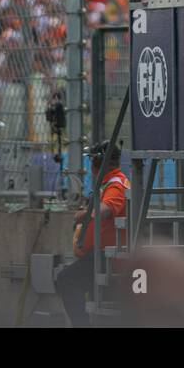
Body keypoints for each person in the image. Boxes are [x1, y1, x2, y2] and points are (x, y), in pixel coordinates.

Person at [55, 140, 131, 326]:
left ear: (99, 163)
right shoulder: (110, 182)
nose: (91, 167)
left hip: (108, 257)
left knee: (66, 279)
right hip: (99, 255)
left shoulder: (115, 184)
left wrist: (83, 215)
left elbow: (105, 210)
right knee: (74, 281)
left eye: (92, 161)